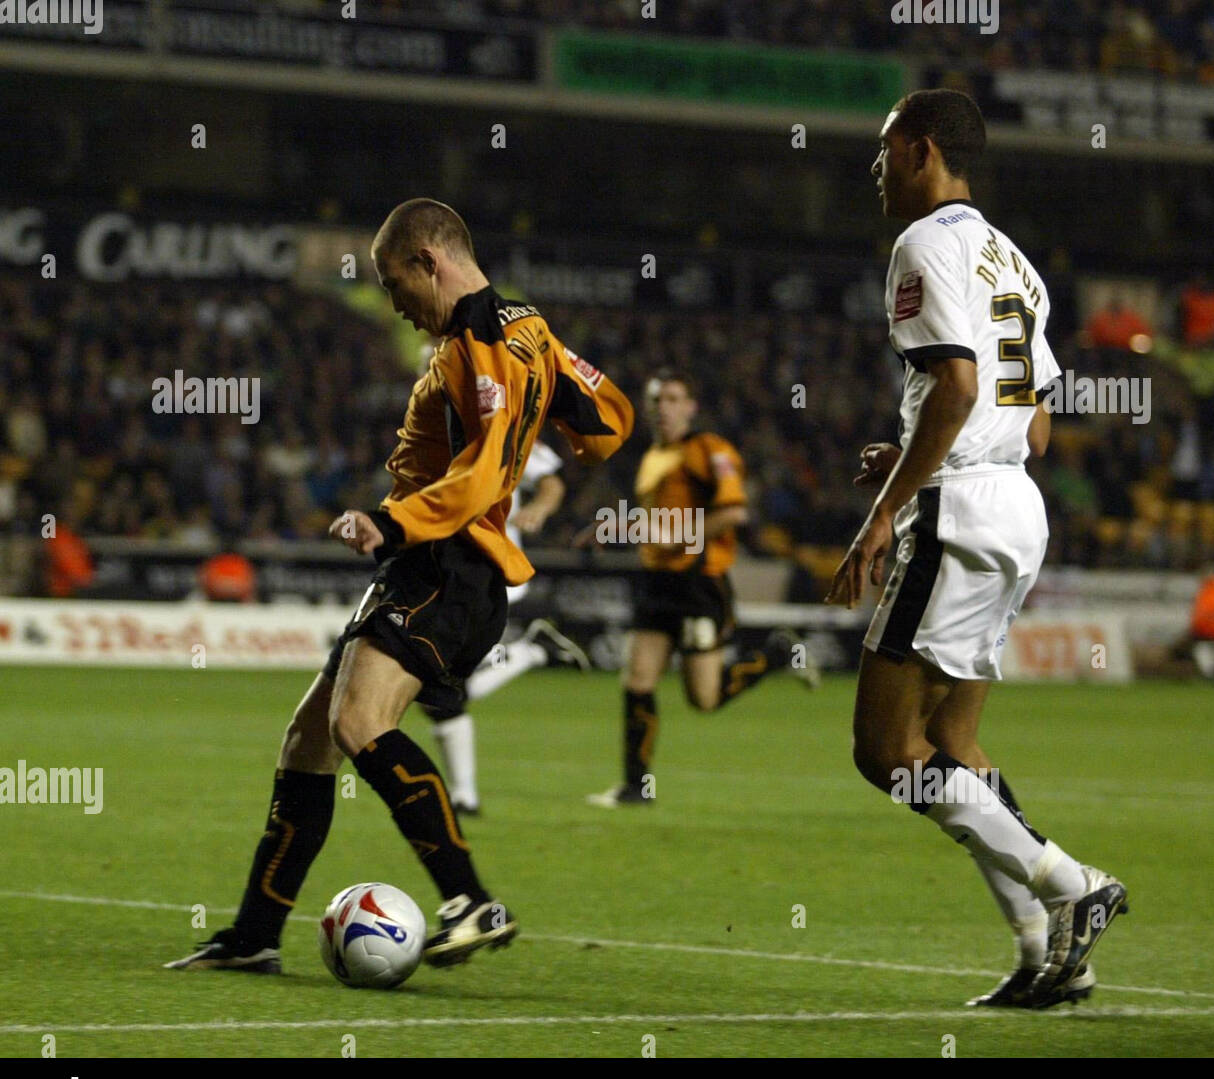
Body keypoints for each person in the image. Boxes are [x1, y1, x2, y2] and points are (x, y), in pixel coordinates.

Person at [167, 198, 634, 974]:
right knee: (309, 739)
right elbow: (611, 420)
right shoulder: (529, 329)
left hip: (445, 562)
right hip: (434, 564)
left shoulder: (482, 341)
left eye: (393, 283)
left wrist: (395, 519)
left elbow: (482, 472)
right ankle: (253, 935)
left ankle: (471, 899)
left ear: (430, 261)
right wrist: (554, 428)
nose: (393, 303)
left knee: (356, 721)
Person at [827, 90, 1127, 1010]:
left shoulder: (922, 245)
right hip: (1014, 506)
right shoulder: (1018, 262)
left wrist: (886, 507)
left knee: (884, 752)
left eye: (884, 152)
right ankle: (1047, 950)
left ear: (922, 150)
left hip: (953, 512)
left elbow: (957, 381)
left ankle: (1069, 883)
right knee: (952, 742)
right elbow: (1033, 425)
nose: (876, 170)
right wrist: (921, 443)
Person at [587, 370, 816, 809]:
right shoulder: (653, 455)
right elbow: (655, 522)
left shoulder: (710, 450)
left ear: (690, 407)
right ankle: (636, 787)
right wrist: (615, 527)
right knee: (637, 680)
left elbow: (734, 514)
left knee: (704, 699)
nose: (663, 408)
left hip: (699, 585)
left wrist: (678, 537)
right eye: (657, 400)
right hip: (657, 584)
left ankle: (777, 653)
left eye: (673, 399)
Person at [425, 438, 591, 817]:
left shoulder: (505, 433)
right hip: (442, 580)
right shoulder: (430, 430)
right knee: (440, 688)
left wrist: (538, 507)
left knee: (440, 687)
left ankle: (464, 798)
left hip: (487, 580)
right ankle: (531, 652)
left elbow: (551, 482)